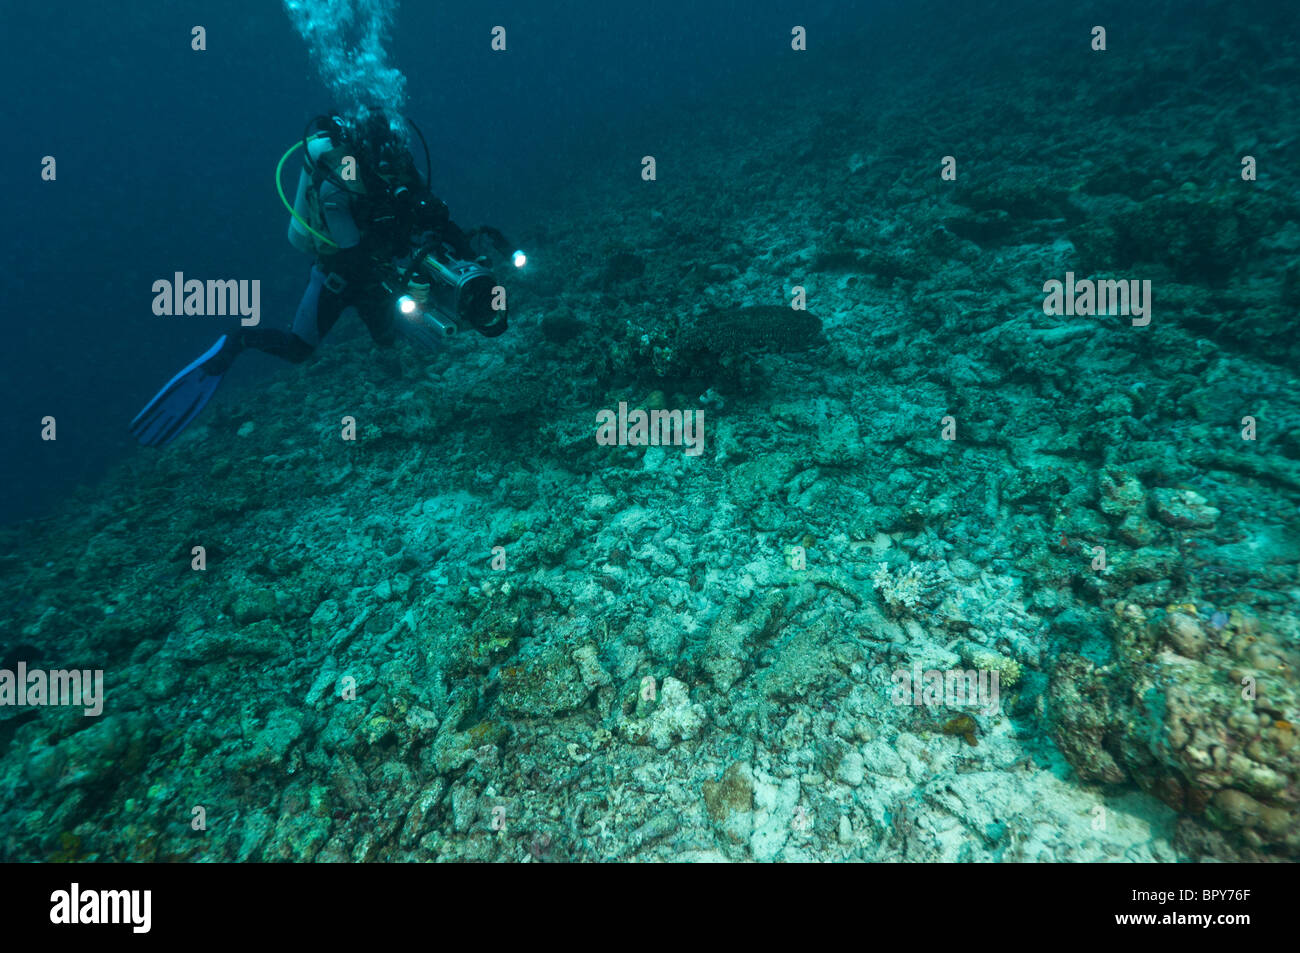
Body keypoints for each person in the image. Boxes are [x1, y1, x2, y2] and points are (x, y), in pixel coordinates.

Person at [131, 110, 514, 447]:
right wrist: (405, 282)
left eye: (394, 155)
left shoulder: (402, 167)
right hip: (339, 277)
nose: (389, 166)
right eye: (381, 158)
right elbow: (353, 258)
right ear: (362, 153)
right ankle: (238, 340)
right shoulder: (338, 183)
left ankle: (391, 315)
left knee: (386, 341)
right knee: (299, 350)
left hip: (382, 274)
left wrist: (471, 261)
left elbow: (439, 223)